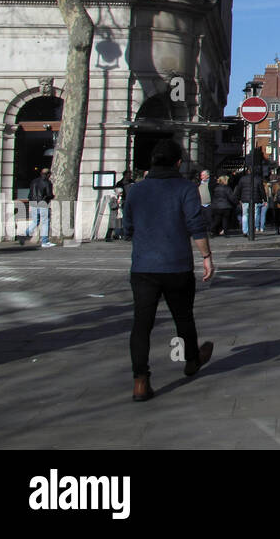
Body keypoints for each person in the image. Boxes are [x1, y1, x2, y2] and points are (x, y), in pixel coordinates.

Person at [122, 139, 214, 402]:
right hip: (176, 265)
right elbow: (196, 226)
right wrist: (206, 256)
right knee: (183, 317)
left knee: (142, 324)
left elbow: (127, 228)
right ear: (177, 163)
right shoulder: (186, 188)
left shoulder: (137, 190)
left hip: (143, 267)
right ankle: (190, 360)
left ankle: (140, 380)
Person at [23, 166, 55, 247]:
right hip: (43, 203)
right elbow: (49, 194)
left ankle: (25, 234)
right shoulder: (48, 182)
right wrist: (52, 197)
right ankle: (45, 241)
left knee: (35, 221)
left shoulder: (34, 181)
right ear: (48, 174)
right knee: (45, 222)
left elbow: (30, 193)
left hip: (33, 203)